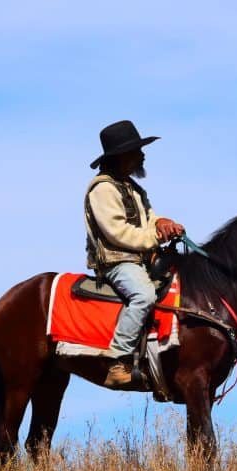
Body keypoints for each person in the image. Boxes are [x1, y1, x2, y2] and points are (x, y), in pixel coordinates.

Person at [84, 120, 185, 387]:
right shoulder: (103, 189)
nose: (142, 155)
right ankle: (118, 360)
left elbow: (149, 218)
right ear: (121, 156)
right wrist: (154, 237)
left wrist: (163, 222)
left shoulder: (133, 188)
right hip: (118, 262)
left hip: (140, 258)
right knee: (144, 295)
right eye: (136, 150)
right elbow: (118, 232)